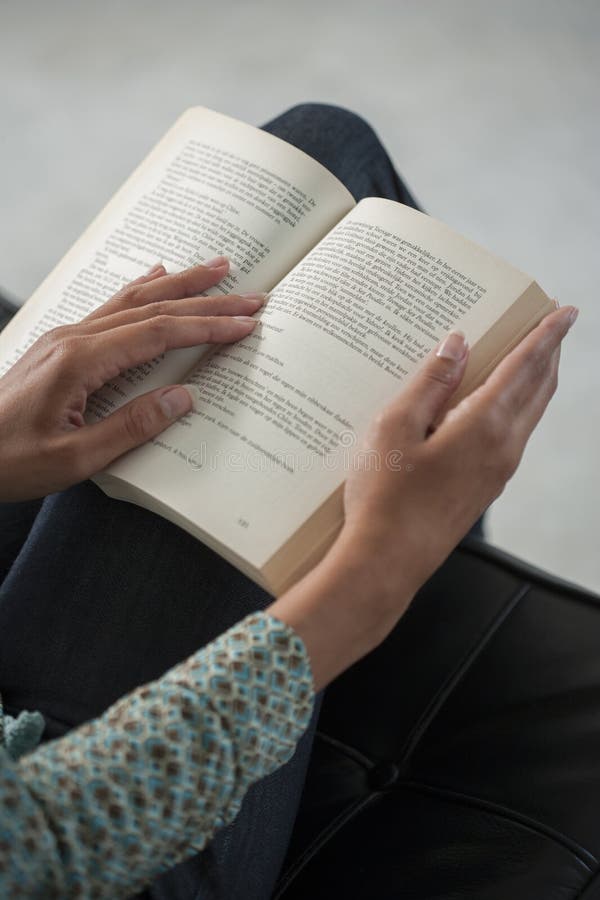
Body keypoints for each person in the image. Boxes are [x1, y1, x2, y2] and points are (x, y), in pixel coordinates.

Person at [0, 104, 577, 899]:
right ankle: (419, 581)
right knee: (331, 152)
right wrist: (375, 575)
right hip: (63, 817)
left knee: (318, 150)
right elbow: (60, 839)